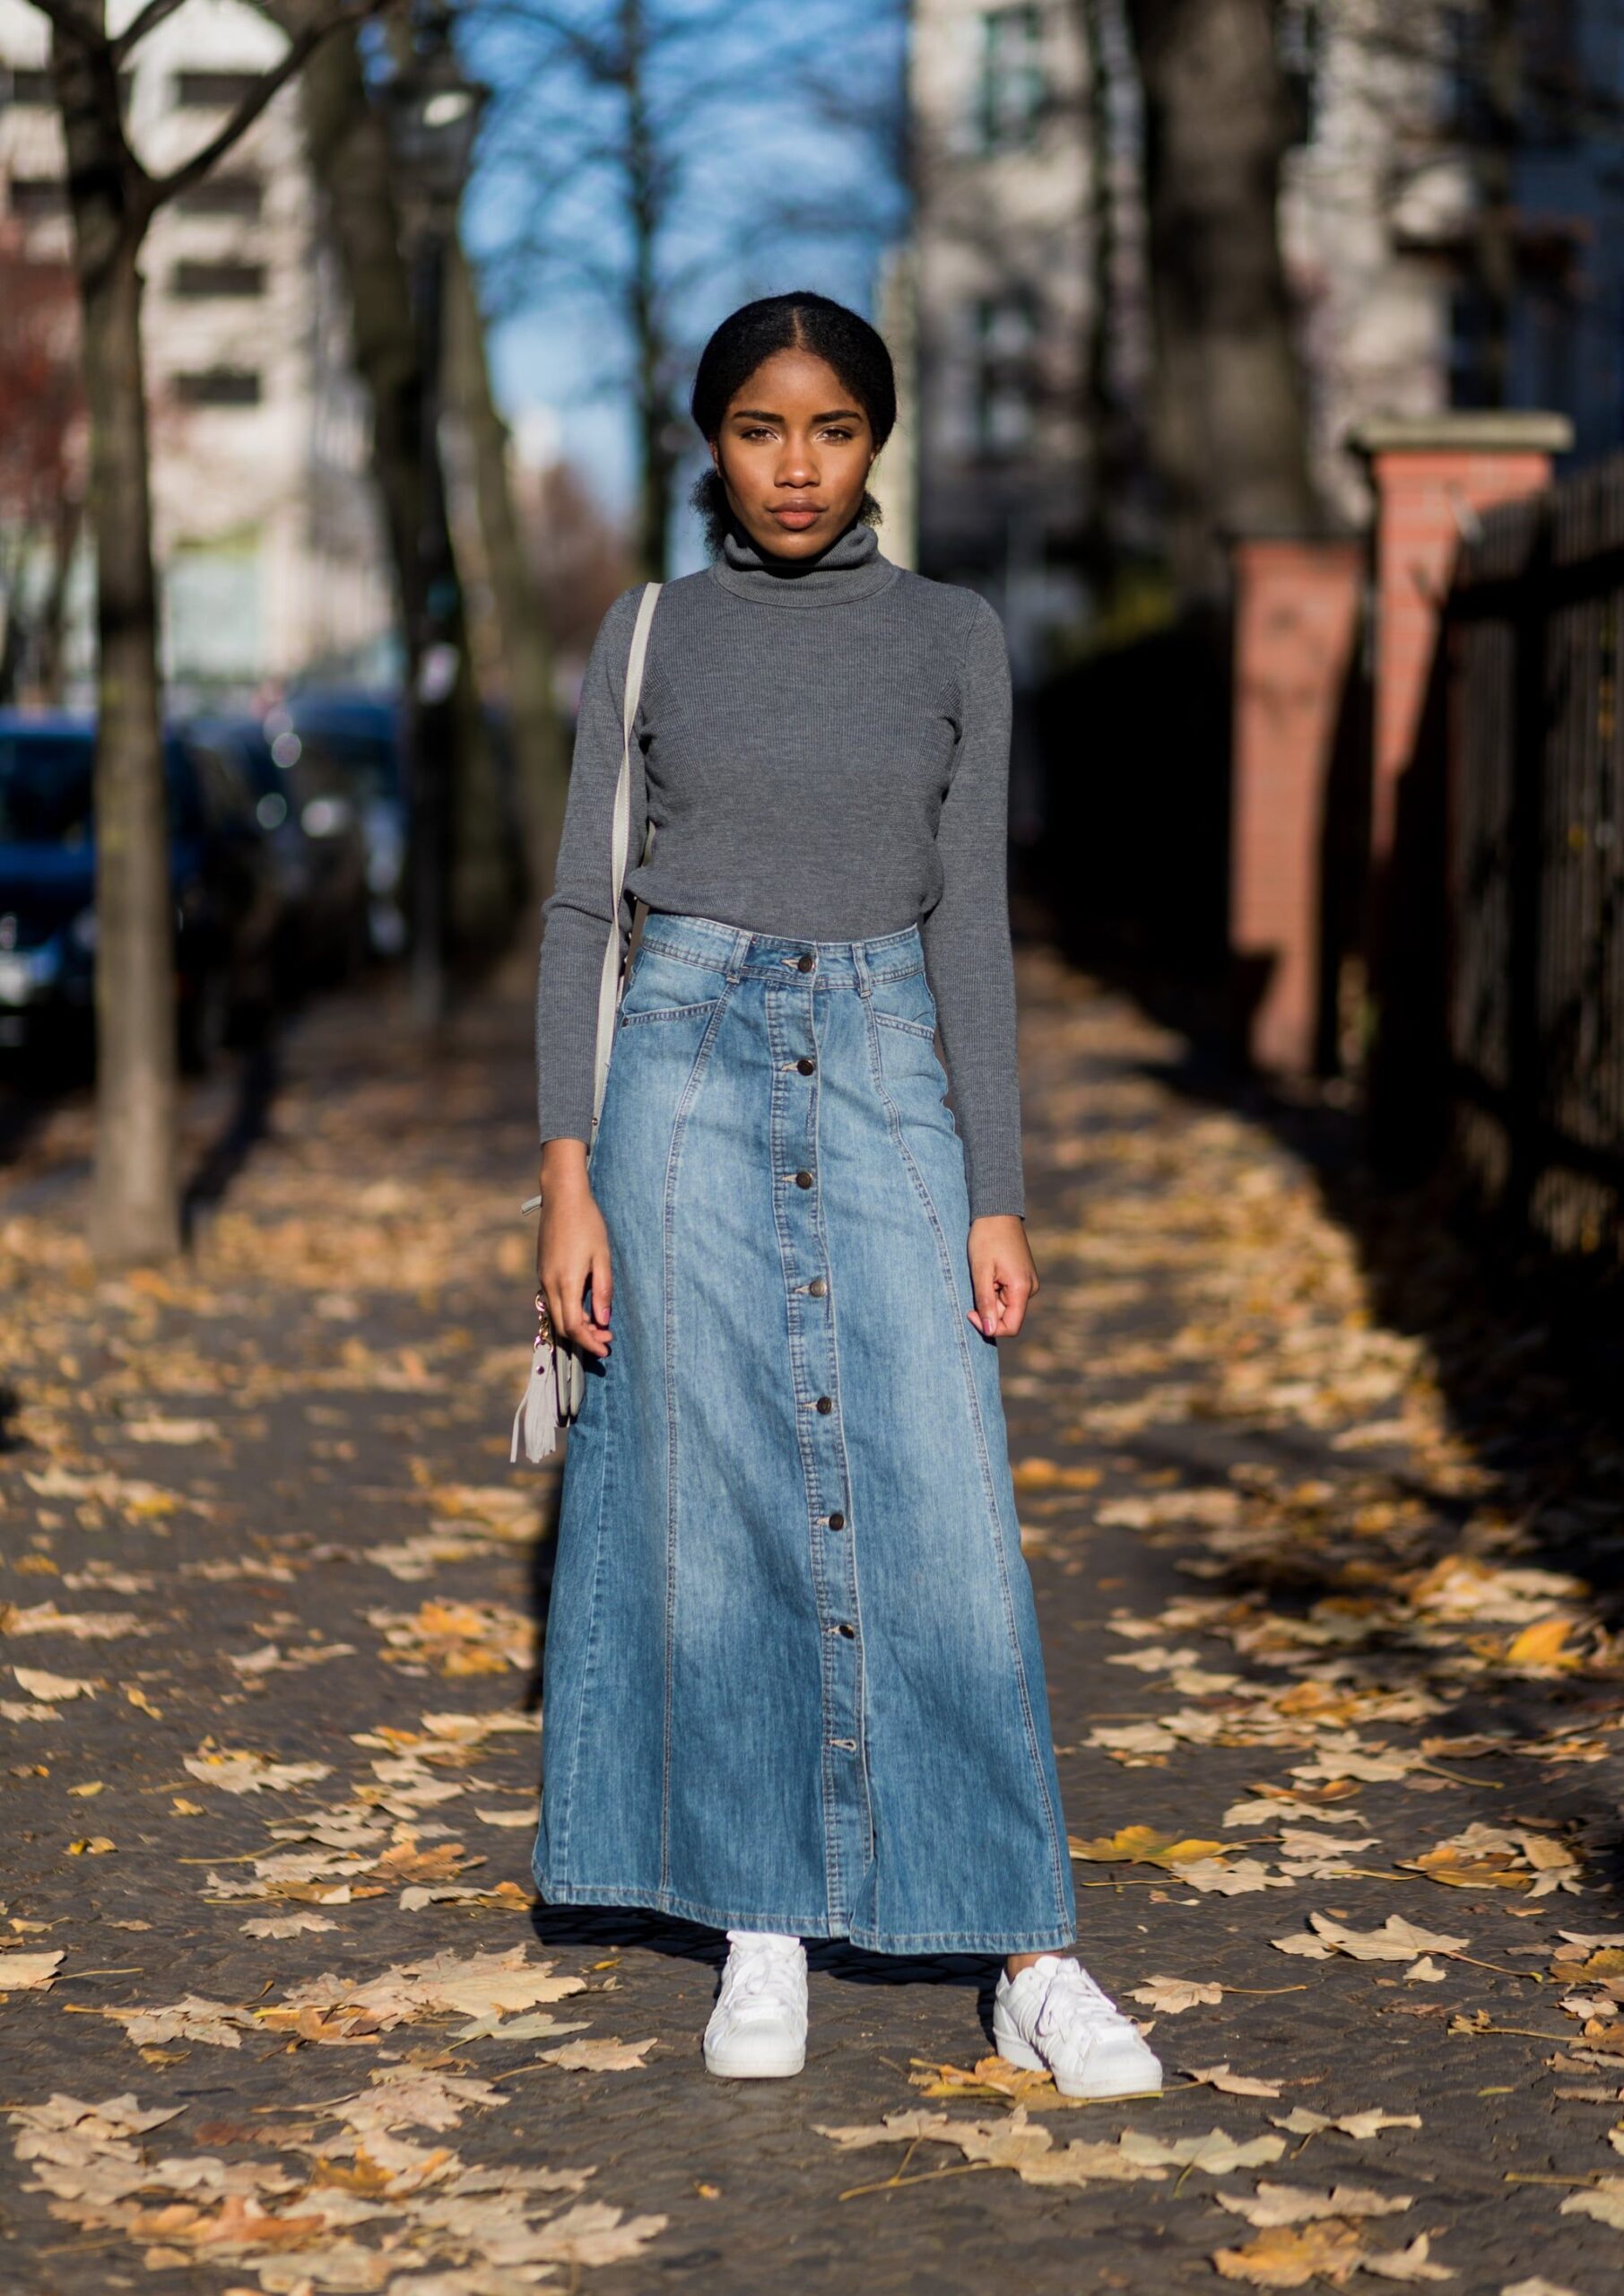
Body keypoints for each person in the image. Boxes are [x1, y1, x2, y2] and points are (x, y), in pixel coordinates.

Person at [530, 291, 1161, 2100]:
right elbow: (587, 909)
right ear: (709, 442)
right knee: (710, 1491)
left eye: (830, 427)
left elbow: (972, 910)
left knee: (944, 1499)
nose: (795, 464)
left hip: (891, 1064)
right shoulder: (645, 635)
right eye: (758, 428)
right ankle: (760, 1917)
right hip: (682, 1067)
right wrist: (564, 1181)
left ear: (876, 438)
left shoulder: (957, 636)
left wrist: (999, 1183)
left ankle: (1027, 1943)